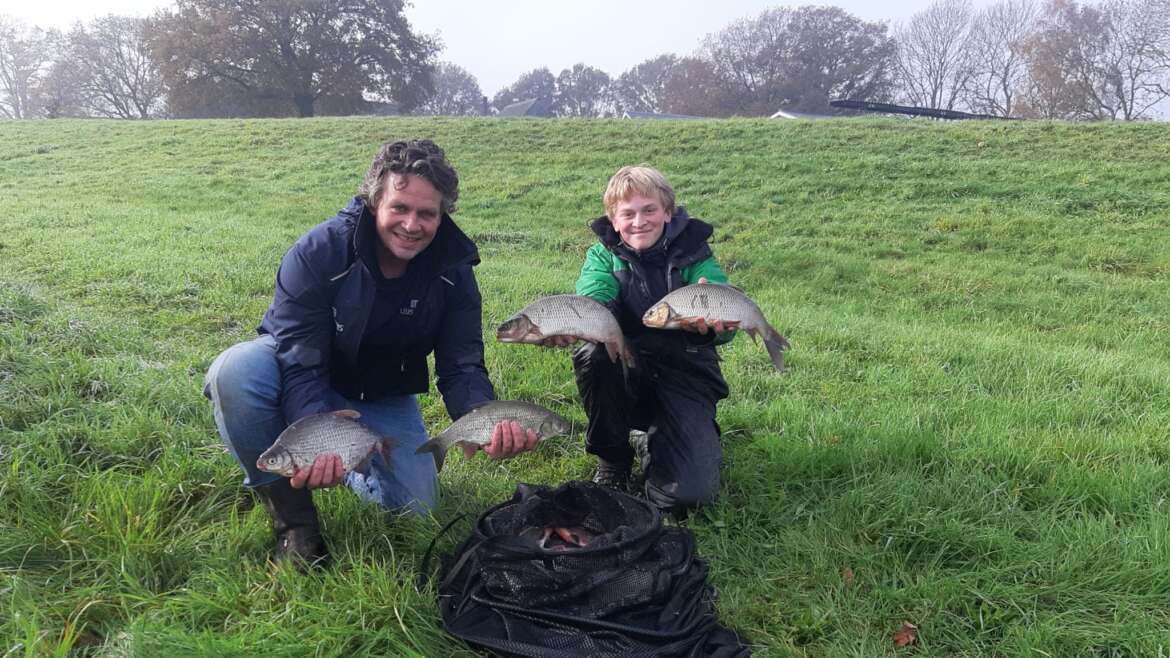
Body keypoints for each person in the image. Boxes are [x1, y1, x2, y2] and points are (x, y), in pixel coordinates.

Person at [203, 139, 538, 566]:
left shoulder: (454, 269)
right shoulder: (318, 252)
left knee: (416, 511)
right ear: (375, 200)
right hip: (306, 377)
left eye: (426, 213)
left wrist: (484, 421)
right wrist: (314, 430)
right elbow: (299, 359)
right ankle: (295, 526)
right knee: (235, 370)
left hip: (382, 393)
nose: (412, 224)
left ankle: (353, 461)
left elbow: (463, 364)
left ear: (442, 215)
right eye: (400, 208)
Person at [563, 164, 735, 517]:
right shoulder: (602, 256)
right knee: (594, 350)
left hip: (686, 374)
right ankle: (613, 459)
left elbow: (727, 317)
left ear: (668, 213)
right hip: (629, 367)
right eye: (627, 213)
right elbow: (595, 298)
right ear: (613, 220)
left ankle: (663, 438)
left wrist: (715, 324)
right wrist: (586, 318)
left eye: (649, 210)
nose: (639, 221)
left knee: (686, 500)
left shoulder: (695, 254)